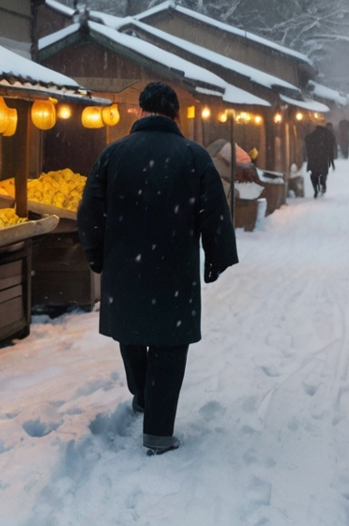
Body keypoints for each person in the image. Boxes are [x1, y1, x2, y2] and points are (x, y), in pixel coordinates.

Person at [77, 82, 239, 455]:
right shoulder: (194, 156)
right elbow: (215, 213)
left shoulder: (113, 154)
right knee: (169, 345)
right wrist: (216, 258)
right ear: (175, 115)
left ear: (139, 112)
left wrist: (97, 255)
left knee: (131, 333)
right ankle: (158, 430)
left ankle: (142, 395)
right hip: (175, 269)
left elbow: (89, 212)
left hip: (124, 267)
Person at [304, 123, 335, 198]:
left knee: (314, 175)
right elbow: (330, 149)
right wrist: (331, 161)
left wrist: (308, 155)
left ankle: (315, 189)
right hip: (323, 159)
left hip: (313, 159)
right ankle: (322, 185)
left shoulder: (311, 136)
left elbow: (306, 142)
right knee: (323, 174)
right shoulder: (327, 137)